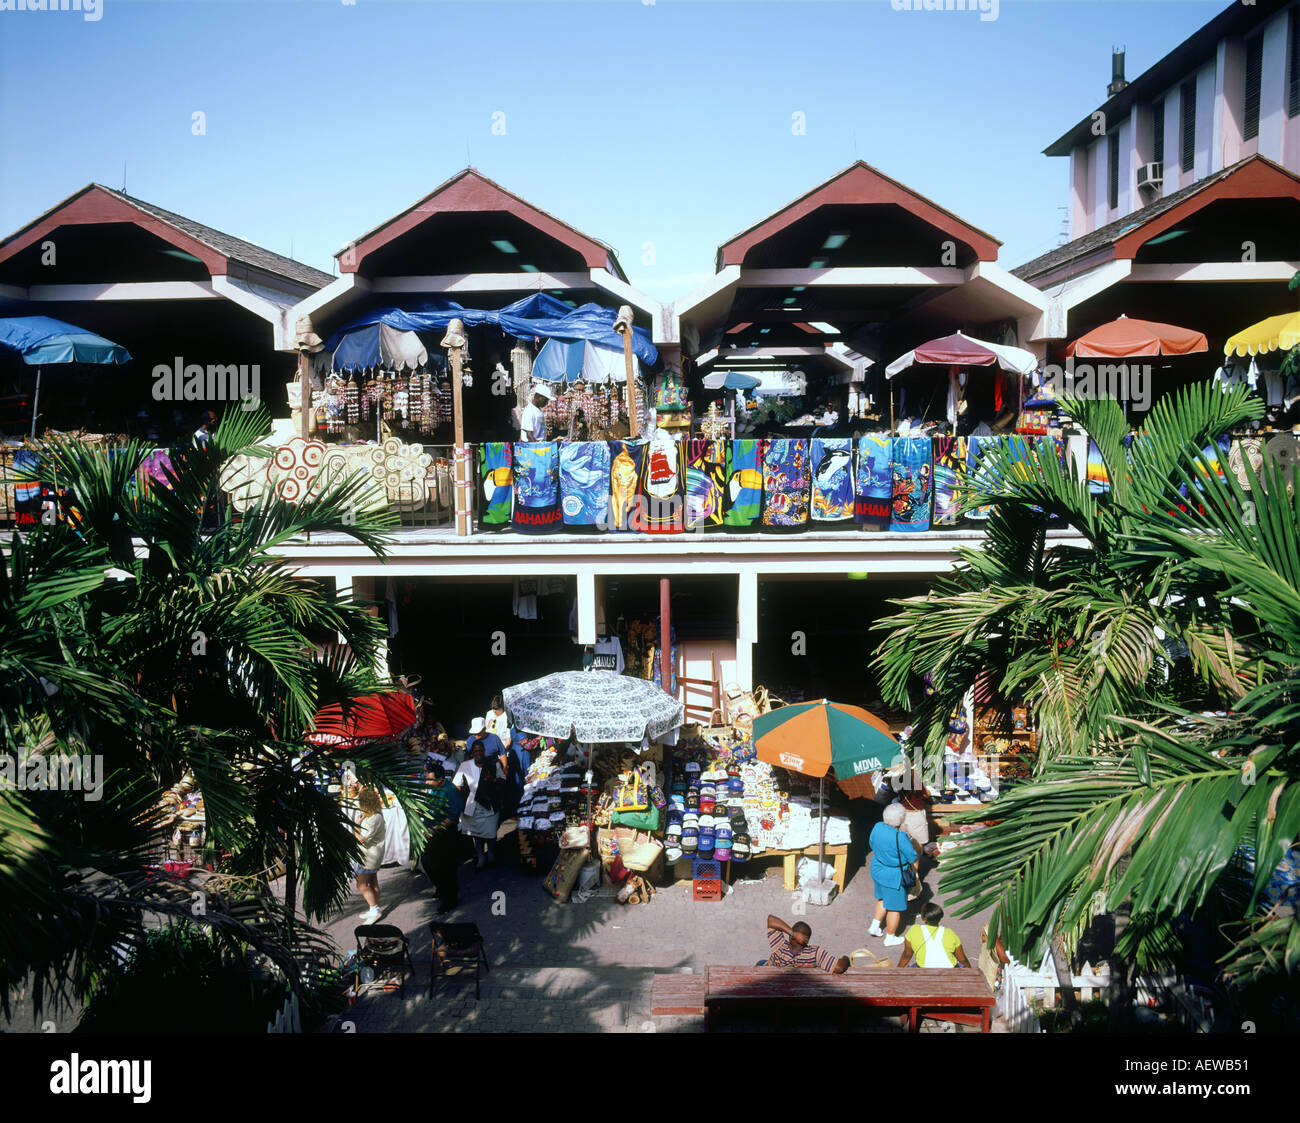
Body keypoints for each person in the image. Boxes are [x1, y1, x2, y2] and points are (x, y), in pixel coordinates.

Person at [868, 801, 919, 947]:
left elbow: (871, 843)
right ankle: (890, 937)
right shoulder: (900, 837)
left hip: (878, 869)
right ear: (901, 819)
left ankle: (875, 926)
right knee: (894, 908)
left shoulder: (877, 827)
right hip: (894, 876)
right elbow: (912, 857)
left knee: (882, 899)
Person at [419, 761, 465, 913]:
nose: (426, 782)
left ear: (440, 780)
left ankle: (450, 899)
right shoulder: (432, 788)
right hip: (430, 831)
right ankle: (440, 887)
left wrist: (434, 829)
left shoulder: (451, 791)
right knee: (427, 862)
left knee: (446, 868)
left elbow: (452, 818)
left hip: (445, 834)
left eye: (429, 780)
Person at [454, 731, 503, 868]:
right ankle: (481, 856)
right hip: (471, 805)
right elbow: (456, 785)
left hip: (490, 804)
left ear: (484, 751)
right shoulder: (464, 766)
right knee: (477, 834)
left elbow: (502, 780)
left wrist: (492, 779)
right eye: (475, 751)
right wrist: (459, 799)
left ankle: (491, 853)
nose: (478, 753)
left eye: (480, 750)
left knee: (491, 832)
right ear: (471, 752)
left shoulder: (493, 764)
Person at [761, 915, 850, 973]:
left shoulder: (780, 946)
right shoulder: (813, 954)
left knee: (761, 962)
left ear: (792, 937)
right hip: (794, 985)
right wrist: (846, 958)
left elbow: (771, 919)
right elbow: (840, 967)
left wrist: (792, 933)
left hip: (770, 977)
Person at [897, 902, 970, 969]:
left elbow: (907, 954)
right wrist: (971, 971)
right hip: (950, 969)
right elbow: (962, 959)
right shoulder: (950, 933)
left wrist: (897, 970)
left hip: (924, 969)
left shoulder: (914, 930)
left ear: (924, 918)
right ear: (940, 918)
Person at [353, 787, 388, 924]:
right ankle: (373, 907)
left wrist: (355, 826)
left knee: (361, 884)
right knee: (372, 882)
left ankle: (374, 910)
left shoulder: (374, 818)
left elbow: (362, 839)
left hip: (369, 856)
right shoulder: (375, 815)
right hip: (373, 854)